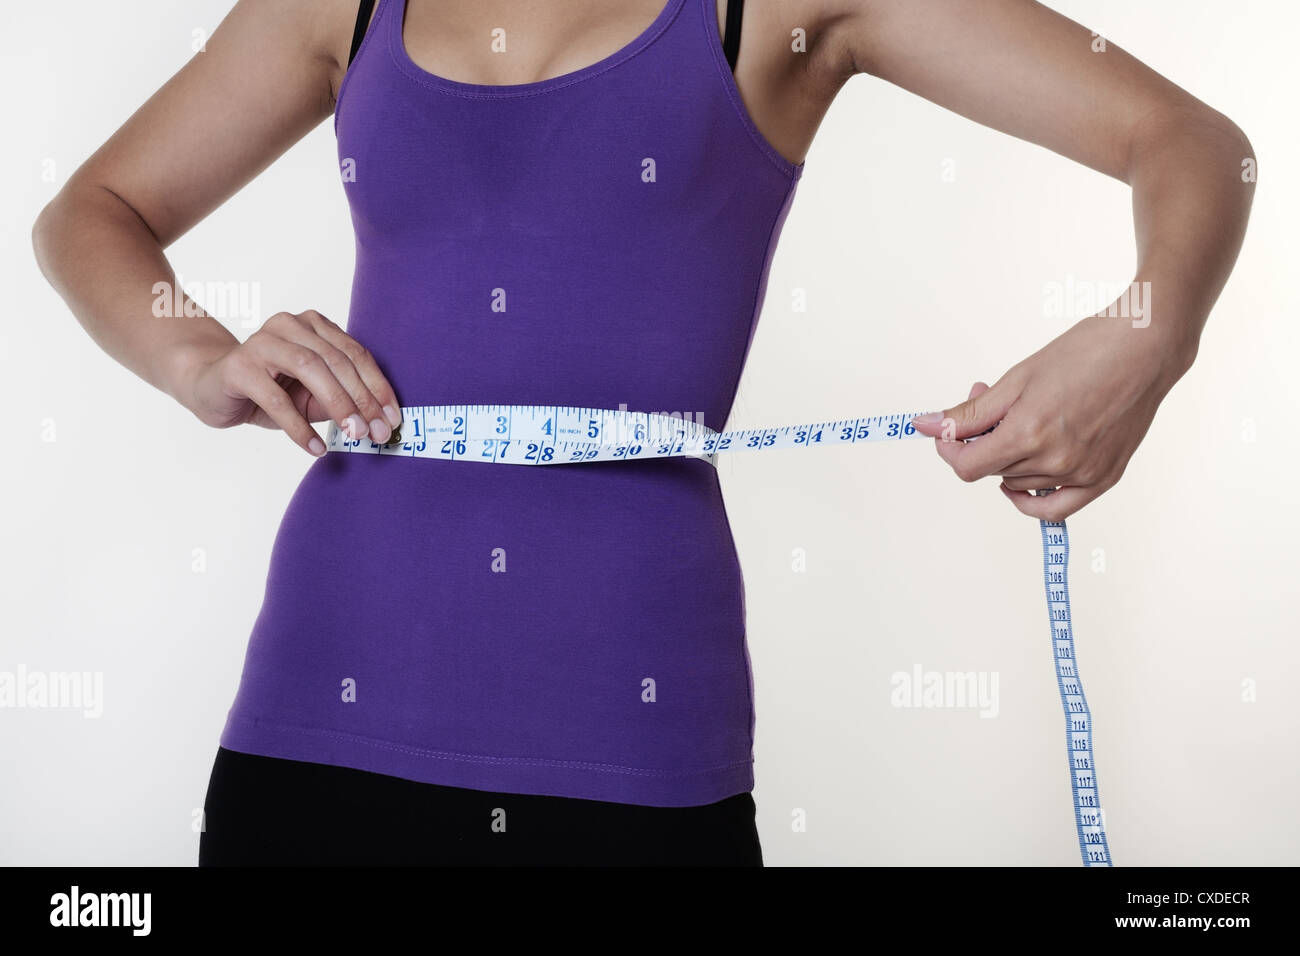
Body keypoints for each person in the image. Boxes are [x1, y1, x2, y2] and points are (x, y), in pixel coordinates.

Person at [31, 0, 1253, 866]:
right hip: (314, 716)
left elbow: (1194, 144)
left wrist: (1145, 340)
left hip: (630, 738)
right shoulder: (342, 6)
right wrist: (197, 357)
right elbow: (95, 208)